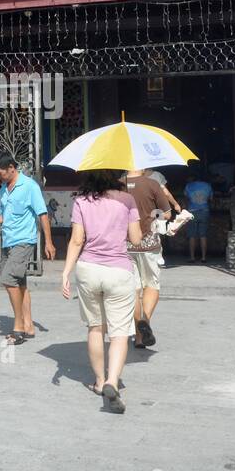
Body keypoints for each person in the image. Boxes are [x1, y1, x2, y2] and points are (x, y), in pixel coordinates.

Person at [60, 169, 144, 413]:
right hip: (118, 271)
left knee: (95, 327)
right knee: (119, 333)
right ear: (116, 175)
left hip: (88, 270)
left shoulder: (81, 201)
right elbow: (136, 239)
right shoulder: (127, 199)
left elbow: (77, 240)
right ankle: (112, 381)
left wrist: (65, 273)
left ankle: (98, 381)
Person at [0, 153, 55, 344]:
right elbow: (2, 217)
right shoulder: (4, 190)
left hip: (23, 241)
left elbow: (43, 214)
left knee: (8, 279)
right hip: (8, 241)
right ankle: (29, 325)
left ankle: (19, 327)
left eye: (0, 174)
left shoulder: (29, 186)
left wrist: (48, 242)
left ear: (11, 168)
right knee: (20, 284)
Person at [126, 168, 172, 348]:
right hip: (149, 244)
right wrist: (154, 214)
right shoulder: (152, 184)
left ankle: (138, 335)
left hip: (126, 244)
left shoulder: (117, 186)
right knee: (151, 284)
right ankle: (145, 319)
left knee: (134, 289)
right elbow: (166, 214)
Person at [183, 169, 214, 262]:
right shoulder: (208, 186)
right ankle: (203, 257)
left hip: (192, 211)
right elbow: (211, 199)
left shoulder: (188, 186)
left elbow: (186, 198)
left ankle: (192, 257)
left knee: (192, 236)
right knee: (203, 235)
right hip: (204, 211)